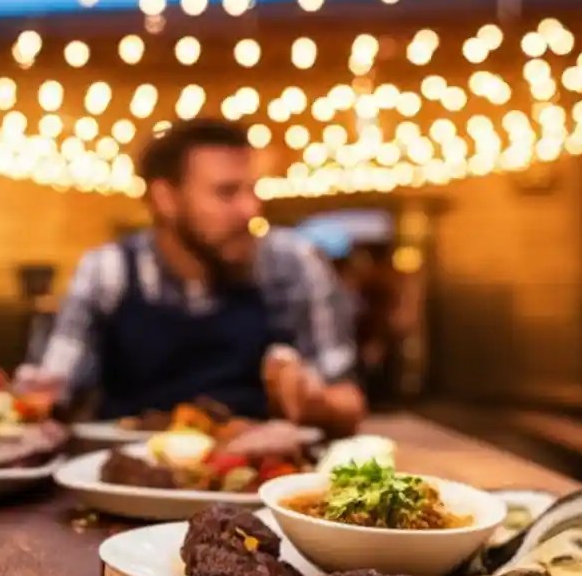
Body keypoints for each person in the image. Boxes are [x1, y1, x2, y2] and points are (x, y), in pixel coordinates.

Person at [20, 119, 364, 434]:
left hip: (257, 474)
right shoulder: (107, 271)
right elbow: (54, 391)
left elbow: (349, 401)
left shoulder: (294, 263)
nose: (251, 209)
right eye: (227, 192)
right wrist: (34, 399)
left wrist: (310, 401)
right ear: (165, 199)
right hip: (128, 476)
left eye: (253, 190)